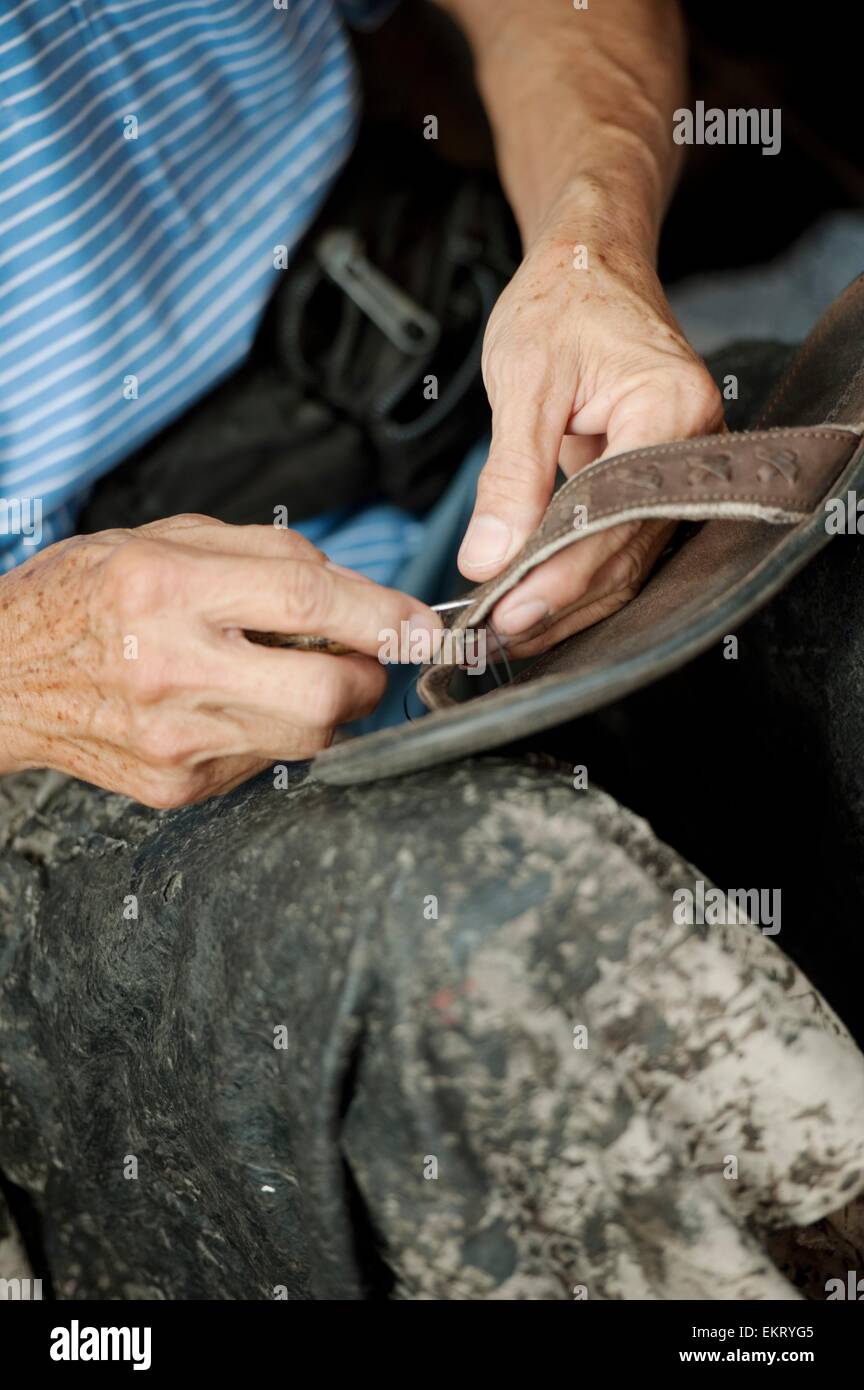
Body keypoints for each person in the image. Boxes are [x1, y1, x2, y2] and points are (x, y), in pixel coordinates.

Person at [2, 0, 862, 1301]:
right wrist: (21, 666)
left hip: (459, 391)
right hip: (53, 710)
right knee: (495, 929)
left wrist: (588, 238)